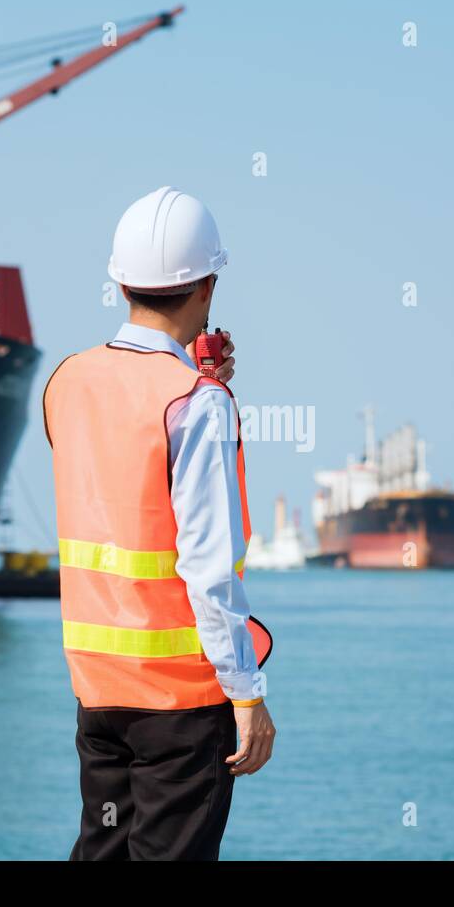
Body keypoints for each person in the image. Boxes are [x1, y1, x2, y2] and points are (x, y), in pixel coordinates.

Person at [43, 186, 276, 861]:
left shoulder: (67, 381)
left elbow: (118, 470)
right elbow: (208, 566)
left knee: (102, 852)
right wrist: (247, 695)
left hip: (98, 684)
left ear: (120, 281)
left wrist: (196, 378)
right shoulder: (199, 404)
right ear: (207, 285)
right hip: (179, 697)